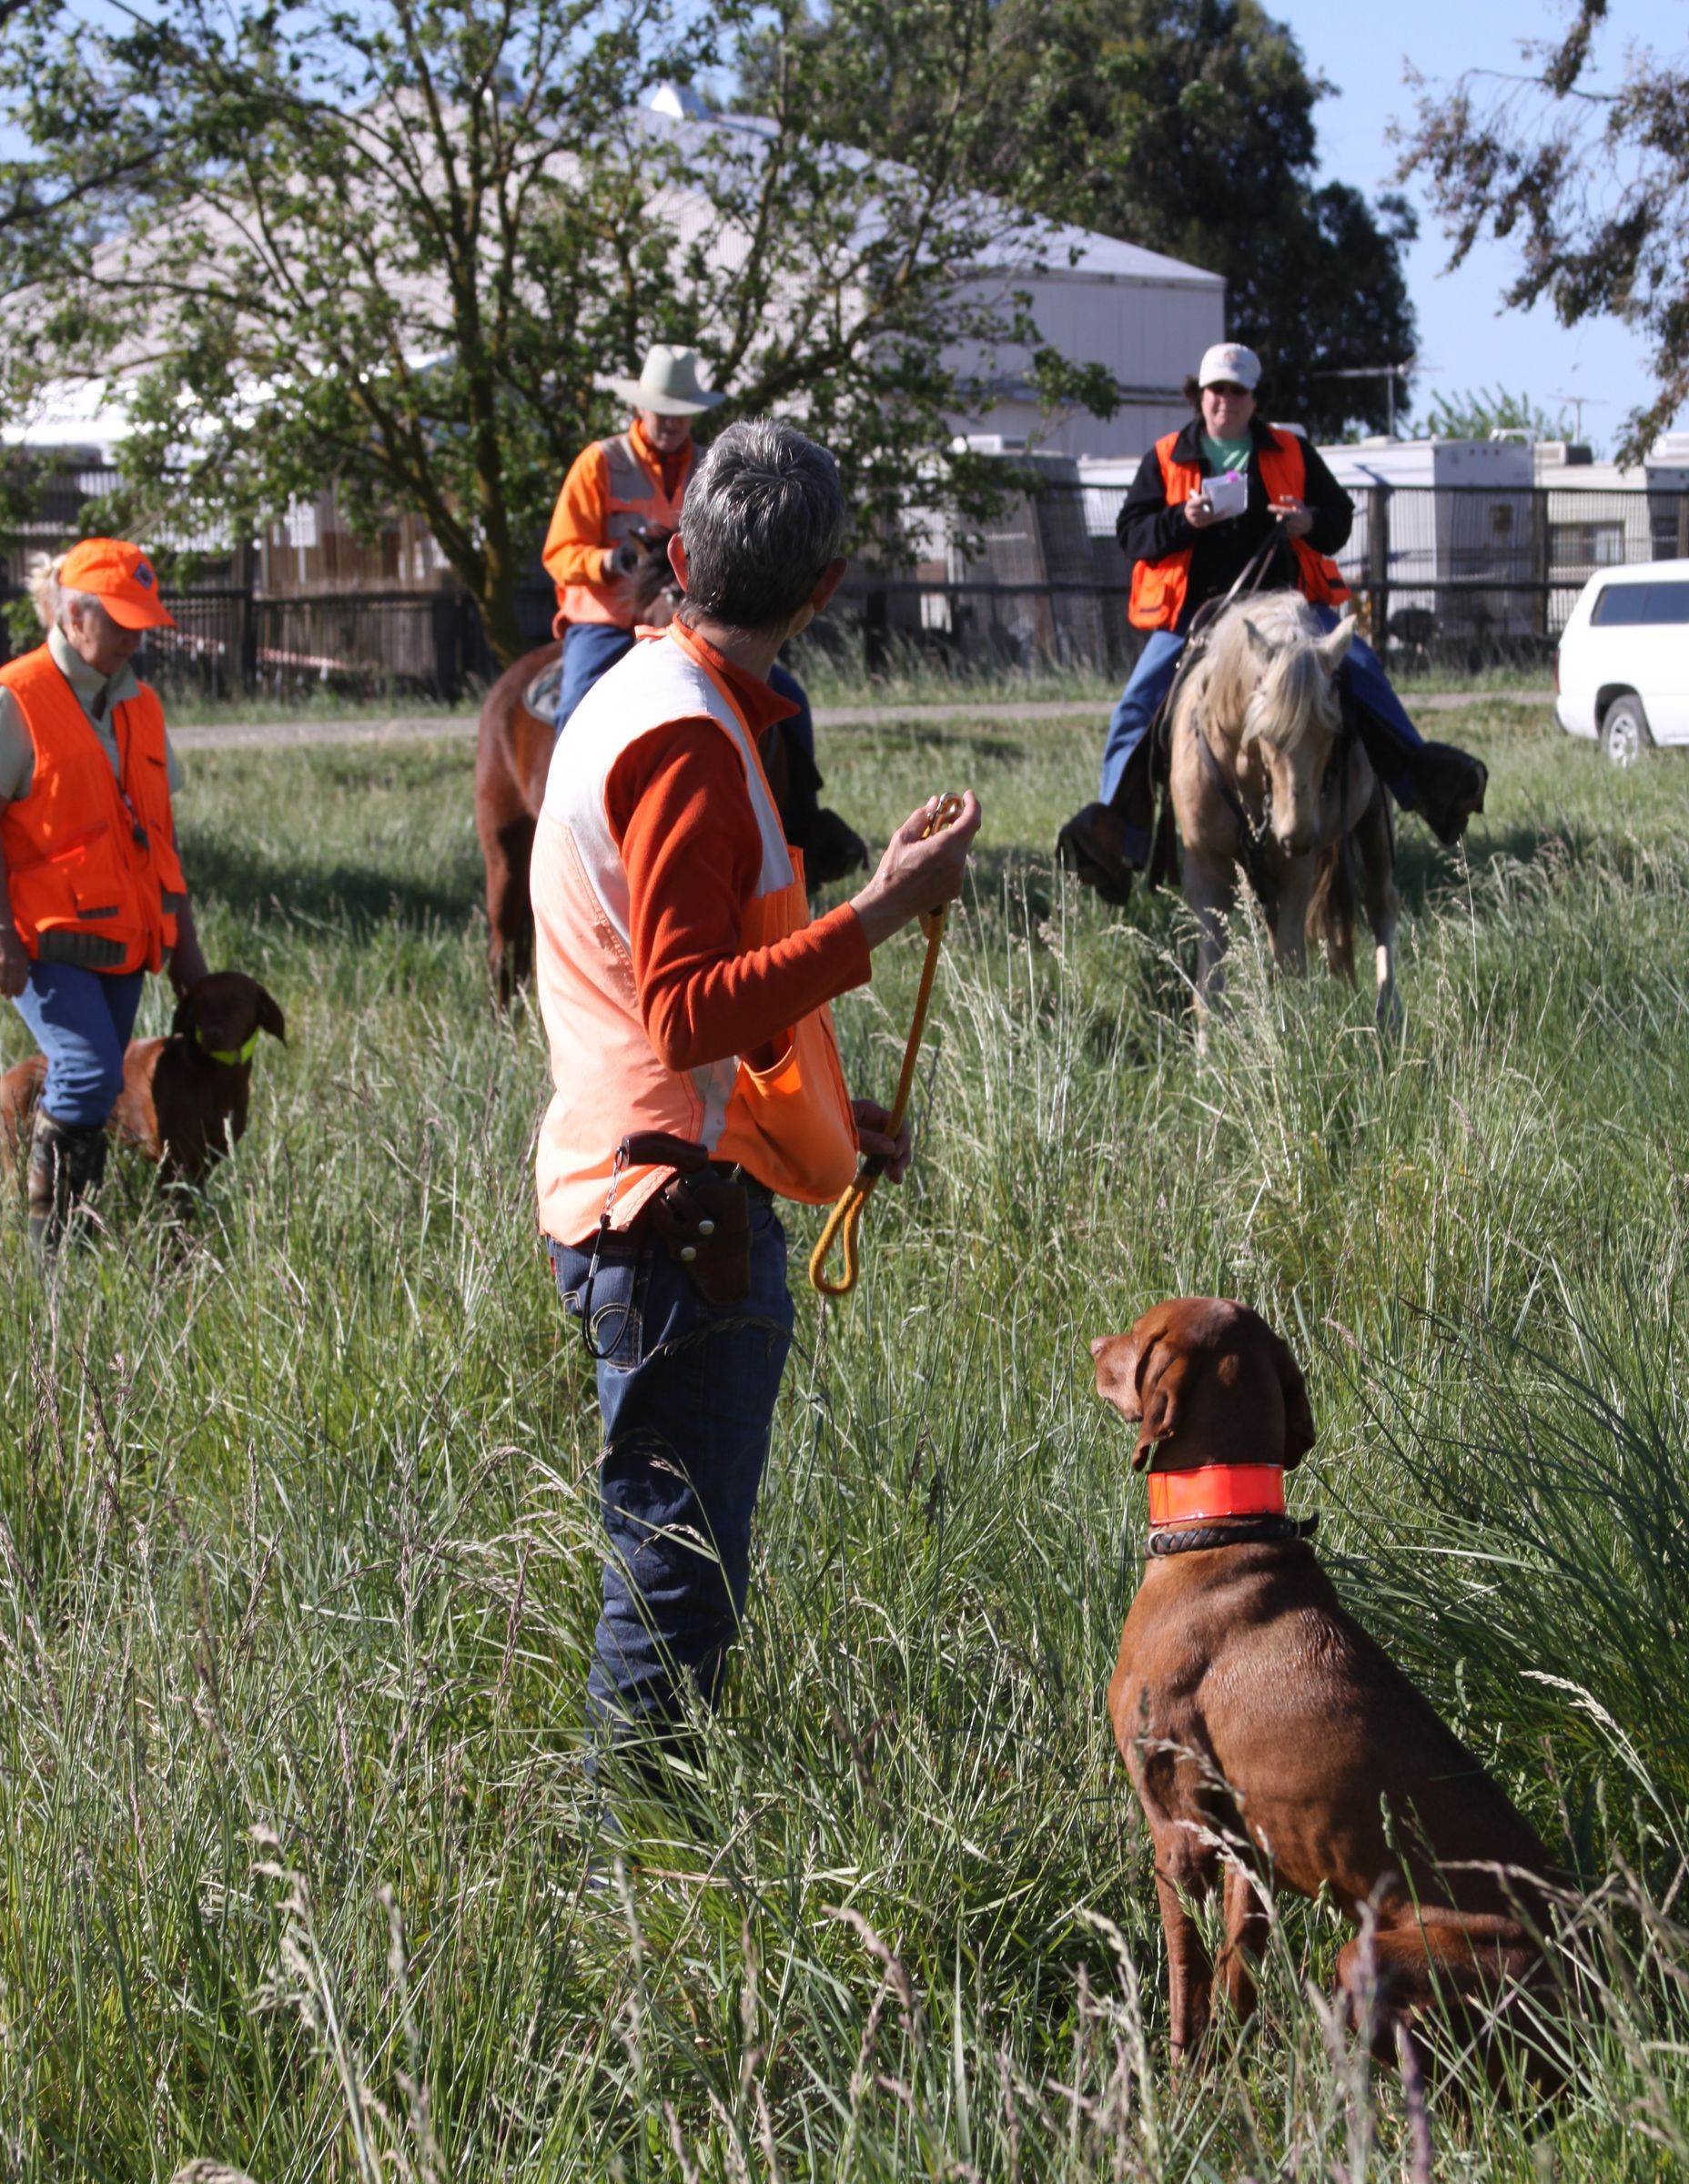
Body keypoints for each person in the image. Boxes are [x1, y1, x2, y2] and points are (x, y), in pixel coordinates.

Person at [532, 416, 980, 1805]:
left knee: (676, 1567)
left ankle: (640, 1849)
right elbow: (686, 1012)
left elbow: (723, 1002)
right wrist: (880, 912)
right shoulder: (689, 740)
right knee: (676, 1582)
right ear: (827, 588)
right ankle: (634, 1872)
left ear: (678, 549)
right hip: (670, 1224)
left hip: (657, 1192)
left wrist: (831, 1121)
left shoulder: (667, 697)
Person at [1059, 342, 1485, 898]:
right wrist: (1182, 520)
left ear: (1255, 398)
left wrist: (1308, 521)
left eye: (1237, 391)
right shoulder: (1166, 456)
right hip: (1199, 614)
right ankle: (1117, 839)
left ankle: (1424, 784)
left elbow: (1339, 518)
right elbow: (1131, 534)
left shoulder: (1292, 449)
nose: (1226, 400)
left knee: (1361, 666)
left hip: (1288, 607)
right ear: (1199, 395)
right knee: (1135, 708)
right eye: (1216, 390)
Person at [0, 539, 211, 1255]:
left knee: (95, 1089)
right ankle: (50, 1258)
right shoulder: (16, 696)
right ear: (72, 615)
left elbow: (162, 839)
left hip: (123, 939)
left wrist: (187, 954)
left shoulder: (142, 707)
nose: (134, 637)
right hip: (39, 937)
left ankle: (74, 1238)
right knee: (91, 1070)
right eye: (120, 621)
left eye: (141, 623)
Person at [542, 341, 864, 878]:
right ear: (639, 407)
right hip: (607, 620)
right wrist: (608, 560)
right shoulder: (600, 463)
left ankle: (800, 823)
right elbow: (558, 552)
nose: (670, 422)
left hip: (688, 615)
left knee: (789, 698)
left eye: (680, 412)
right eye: (660, 410)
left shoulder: (712, 465)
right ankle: (563, 823)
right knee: (576, 700)